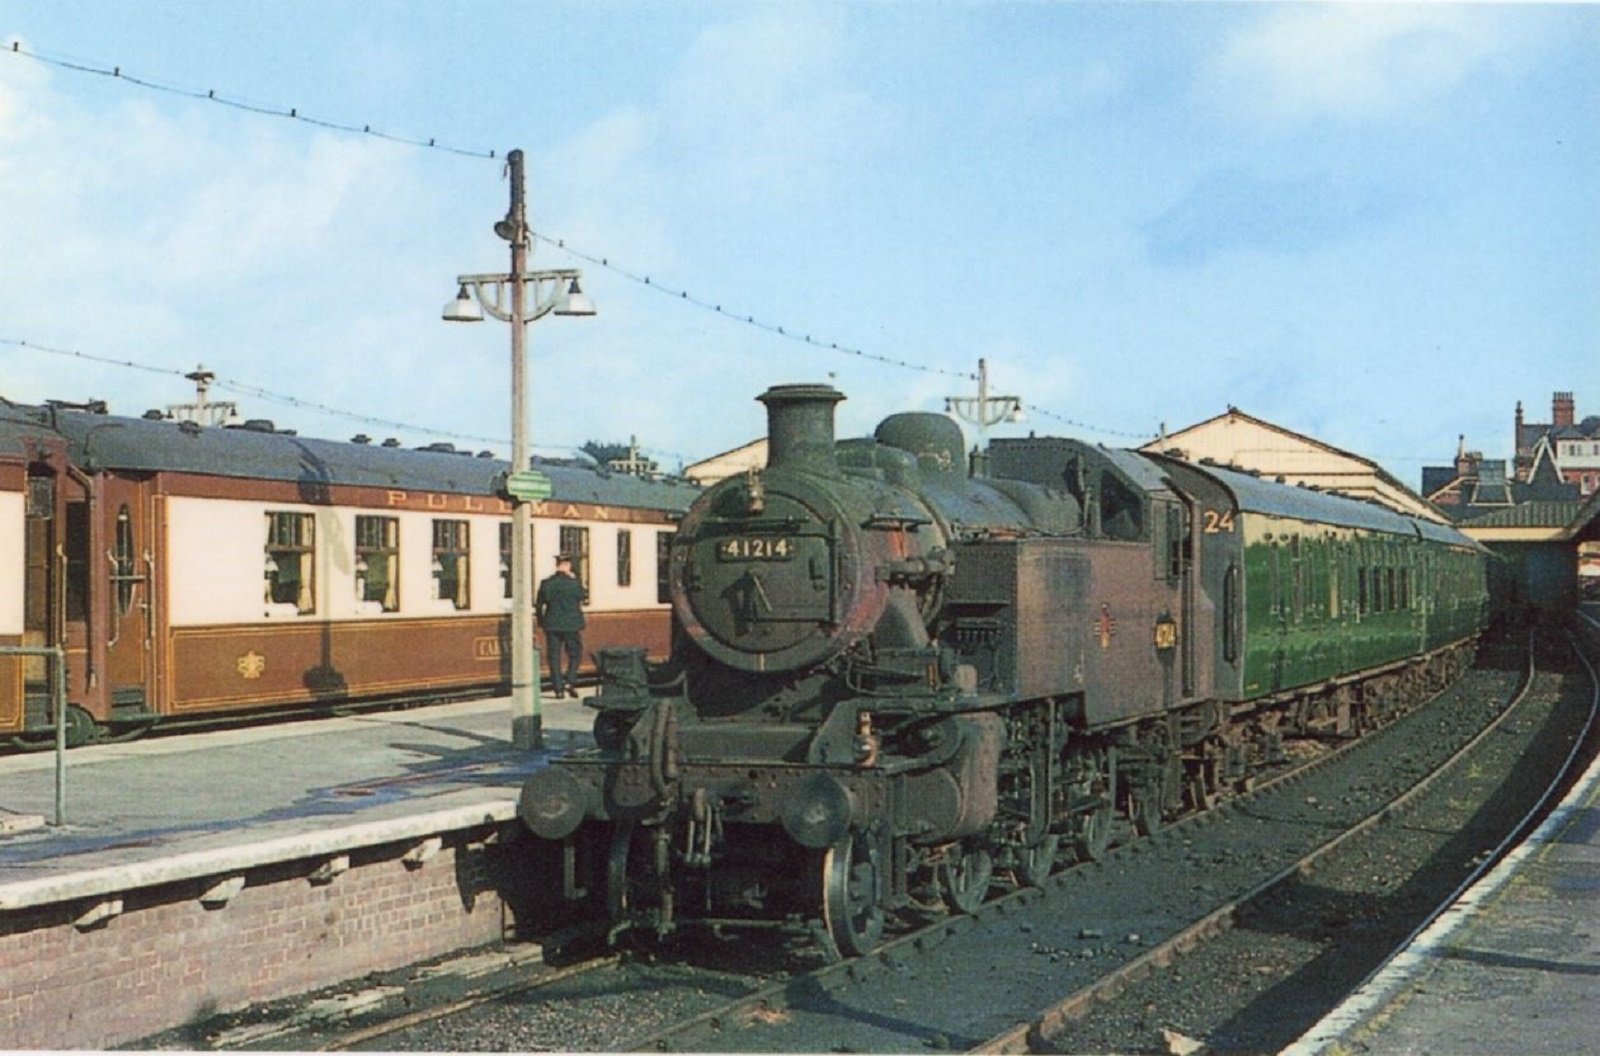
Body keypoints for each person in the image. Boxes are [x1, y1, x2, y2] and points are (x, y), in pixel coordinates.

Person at [535, 553, 587, 698]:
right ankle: (570, 681)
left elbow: (539, 605)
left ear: (557, 565)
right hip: (571, 625)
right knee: (575, 653)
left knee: (554, 657)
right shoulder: (574, 583)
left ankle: (558, 689)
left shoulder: (546, 583)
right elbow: (583, 596)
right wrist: (575, 579)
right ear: (567, 565)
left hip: (552, 625)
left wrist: (541, 622)